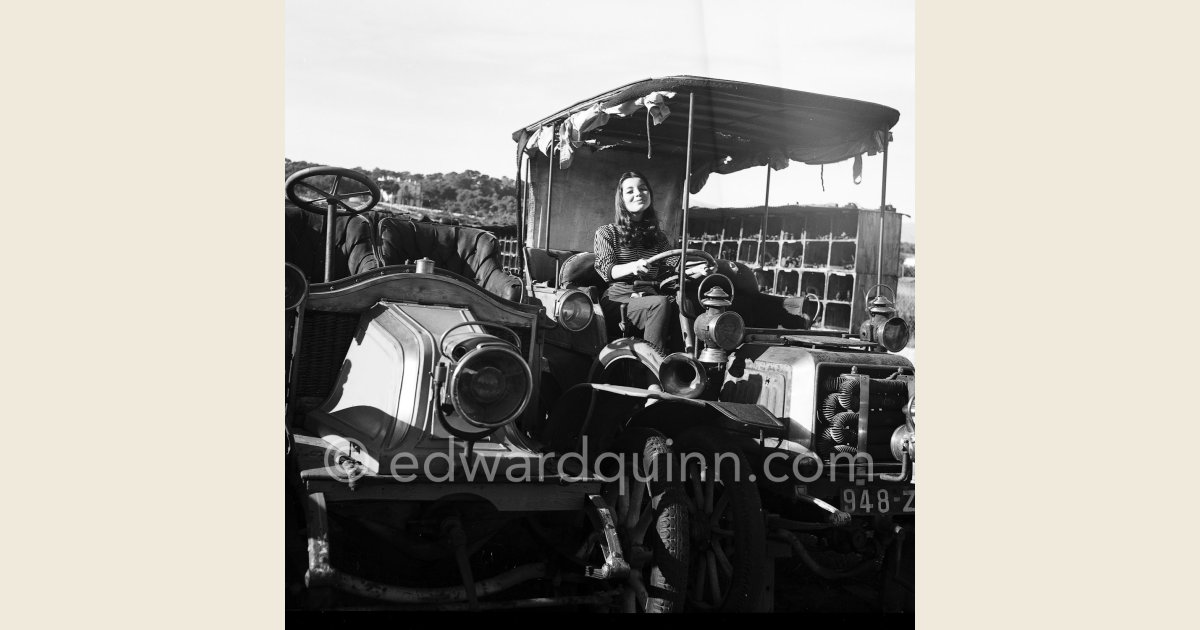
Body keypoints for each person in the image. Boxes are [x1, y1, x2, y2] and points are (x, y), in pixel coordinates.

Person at [594, 171, 702, 349]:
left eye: (643, 189)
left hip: (648, 294)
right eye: (630, 191)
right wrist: (632, 266)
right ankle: (654, 367)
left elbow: (673, 265)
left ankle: (683, 361)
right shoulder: (607, 233)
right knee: (658, 304)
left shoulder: (658, 238)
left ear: (649, 194)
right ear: (621, 199)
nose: (638, 193)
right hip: (618, 299)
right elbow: (608, 270)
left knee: (684, 303)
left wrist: (697, 269)